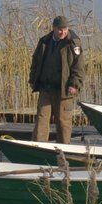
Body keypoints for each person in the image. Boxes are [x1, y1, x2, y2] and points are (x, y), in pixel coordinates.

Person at [28, 14, 84, 143]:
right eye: (60, 29)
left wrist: (74, 84)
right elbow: (35, 61)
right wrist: (32, 79)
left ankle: (64, 149)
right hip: (45, 87)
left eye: (65, 29)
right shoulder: (44, 42)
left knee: (63, 121)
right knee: (42, 118)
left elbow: (79, 67)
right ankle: (38, 147)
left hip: (64, 89)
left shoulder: (73, 43)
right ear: (53, 28)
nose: (62, 32)